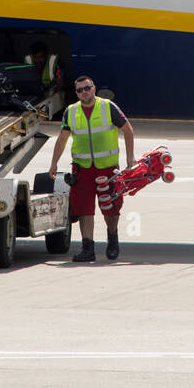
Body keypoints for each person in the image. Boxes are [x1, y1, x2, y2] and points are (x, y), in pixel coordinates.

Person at [48, 75, 135, 262]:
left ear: (94, 88)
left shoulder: (108, 107)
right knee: (84, 209)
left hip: (107, 168)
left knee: (110, 208)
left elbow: (128, 129)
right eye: (79, 90)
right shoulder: (70, 111)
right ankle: (88, 248)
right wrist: (54, 163)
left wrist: (130, 158)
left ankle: (112, 239)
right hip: (82, 169)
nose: (84, 92)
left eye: (87, 88)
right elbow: (62, 138)